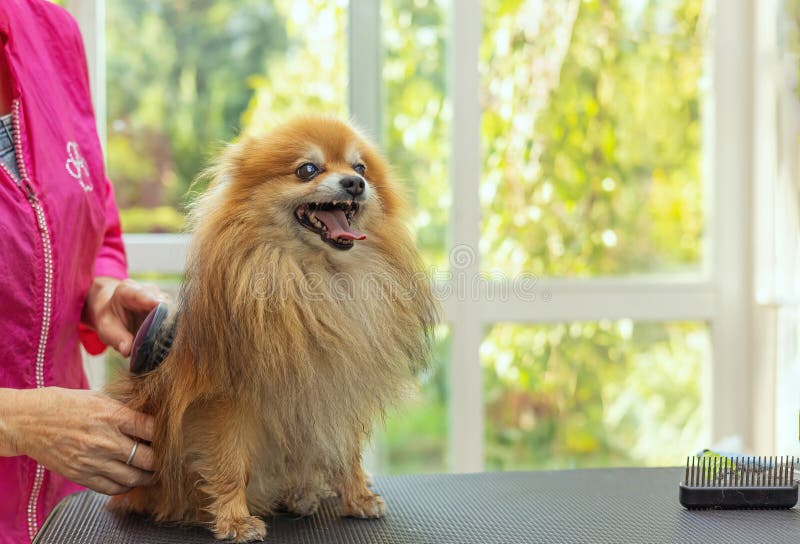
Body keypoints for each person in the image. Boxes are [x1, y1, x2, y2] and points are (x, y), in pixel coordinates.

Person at [0, 2, 163, 542]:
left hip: (63, 509)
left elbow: (96, 223)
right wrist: (19, 420)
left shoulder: (52, 29)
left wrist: (100, 292)